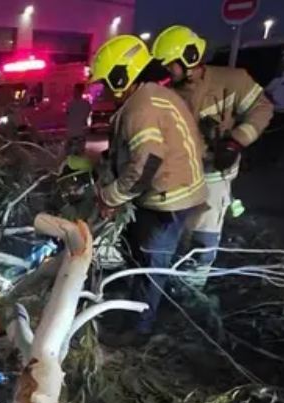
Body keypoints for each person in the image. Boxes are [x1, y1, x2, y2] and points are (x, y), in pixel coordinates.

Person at [90, 35, 208, 346]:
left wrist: (109, 197)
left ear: (121, 75)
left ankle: (140, 330)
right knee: (141, 255)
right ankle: (136, 305)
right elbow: (134, 153)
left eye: (105, 82)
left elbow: (146, 164)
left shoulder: (141, 108)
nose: (103, 89)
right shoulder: (149, 97)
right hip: (168, 191)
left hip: (169, 198)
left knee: (151, 263)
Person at [151, 25, 273, 290]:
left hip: (214, 171)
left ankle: (193, 289)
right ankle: (171, 280)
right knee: (176, 231)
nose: (168, 70)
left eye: (171, 63)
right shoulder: (168, 93)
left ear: (189, 57)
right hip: (180, 175)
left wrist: (236, 140)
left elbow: (262, 108)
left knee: (204, 232)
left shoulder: (232, 81)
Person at [65, 83, 92, 157]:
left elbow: (67, 115)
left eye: (75, 90)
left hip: (75, 133)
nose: (73, 92)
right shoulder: (85, 104)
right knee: (78, 154)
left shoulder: (71, 104)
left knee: (71, 155)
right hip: (78, 133)